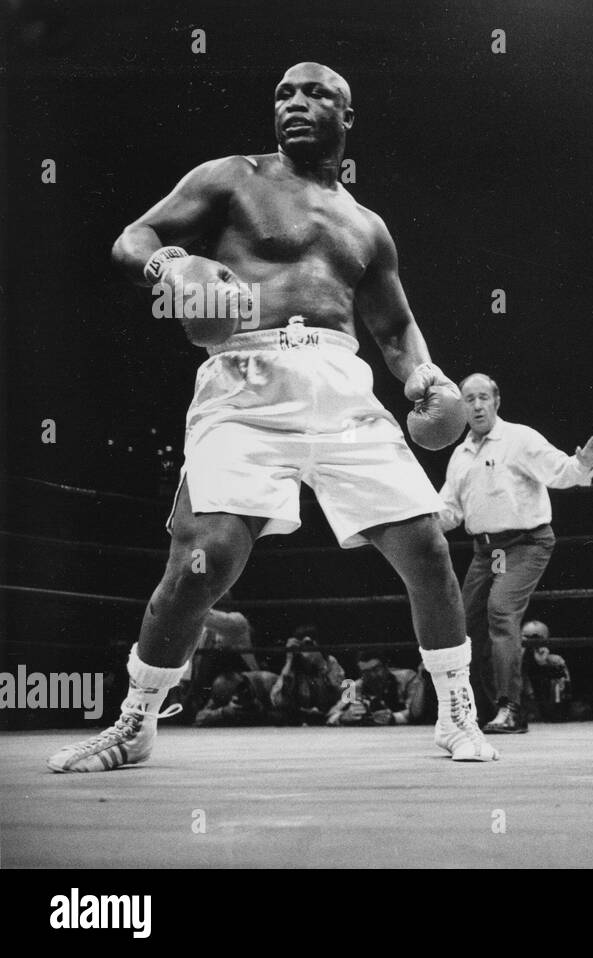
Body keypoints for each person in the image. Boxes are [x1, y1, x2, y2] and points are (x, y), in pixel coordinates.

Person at [48, 62, 497, 771]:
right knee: (205, 560)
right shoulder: (232, 177)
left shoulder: (368, 227)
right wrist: (171, 268)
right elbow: (133, 237)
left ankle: (455, 711)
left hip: (342, 385)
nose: (295, 102)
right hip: (246, 379)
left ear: (347, 117)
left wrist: (425, 377)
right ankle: (136, 720)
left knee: (429, 550)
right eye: (285, 92)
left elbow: (395, 330)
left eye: (315, 93)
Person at [437, 375, 593, 733]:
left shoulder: (520, 439)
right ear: (462, 407)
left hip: (527, 542)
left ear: (497, 401)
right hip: (486, 551)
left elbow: (562, 471)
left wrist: (586, 463)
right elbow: (448, 513)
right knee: (467, 626)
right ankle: (481, 711)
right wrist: (411, 523)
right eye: (469, 399)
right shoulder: (460, 456)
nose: (477, 405)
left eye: (484, 397)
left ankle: (510, 707)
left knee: (500, 611)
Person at [271, 628, 346, 725]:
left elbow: (343, 694)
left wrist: (322, 665)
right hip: (299, 716)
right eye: (303, 643)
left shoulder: (329, 661)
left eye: (310, 644)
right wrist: (289, 660)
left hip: (326, 714)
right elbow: (277, 700)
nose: (307, 648)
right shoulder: (292, 665)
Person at [327, 655, 423, 726]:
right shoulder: (355, 686)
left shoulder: (407, 678)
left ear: (386, 667)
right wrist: (343, 717)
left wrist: (394, 717)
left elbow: (415, 712)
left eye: (376, 669)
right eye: (367, 672)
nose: (372, 675)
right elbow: (331, 715)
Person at [521, 620, 572, 723]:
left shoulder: (555, 660)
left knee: (557, 664)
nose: (533, 641)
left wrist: (543, 662)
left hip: (546, 694)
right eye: (528, 637)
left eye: (537, 638)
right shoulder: (515, 659)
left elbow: (566, 682)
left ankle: (557, 710)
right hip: (527, 697)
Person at [193, 669, 280, 727]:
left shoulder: (268, 682)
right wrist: (223, 711)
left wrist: (261, 712)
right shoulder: (222, 689)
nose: (238, 697)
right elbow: (200, 718)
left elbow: (288, 715)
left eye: (242, 692)